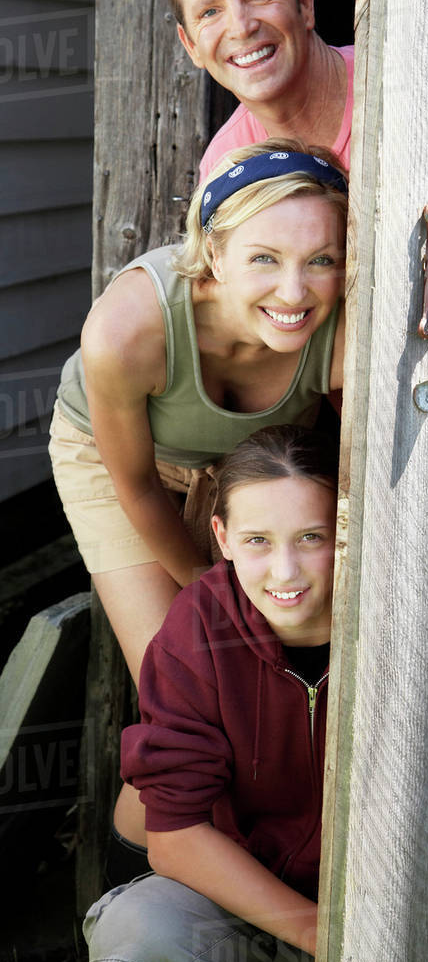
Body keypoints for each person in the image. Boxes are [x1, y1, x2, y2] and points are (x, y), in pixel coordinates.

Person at [49, 139, 346, 852]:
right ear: (213, 254)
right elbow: (135, 485)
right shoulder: (127, 329)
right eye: (265, 258)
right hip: (121, 463)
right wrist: (213, 597)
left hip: (253, 473)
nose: (294, 292)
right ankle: (154, 858)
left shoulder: (344, 330)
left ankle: (279, 854)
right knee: (188, 674)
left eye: (322, 260)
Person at [83, 424, 337, 962]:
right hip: (241, 899)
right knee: (137, 927)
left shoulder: (398, 619)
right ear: (222, 537)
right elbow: (175, 835)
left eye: (311, 537)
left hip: (382, 896)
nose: (285, 571)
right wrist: (324, 939)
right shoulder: (200, 625)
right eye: (257, 540)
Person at [159, 0, 354, 182]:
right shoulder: (225, 170)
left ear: (305, 4)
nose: (241, 28)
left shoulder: (397, 83)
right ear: (191, 46)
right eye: (210, 12)